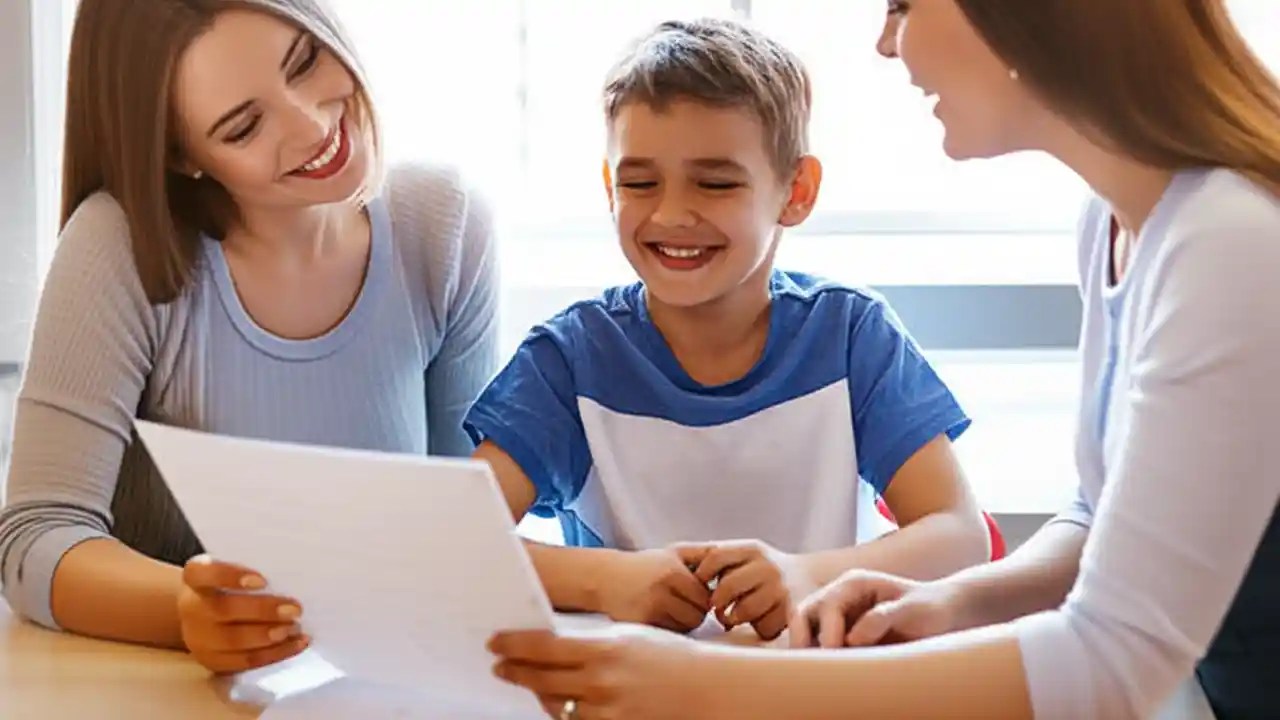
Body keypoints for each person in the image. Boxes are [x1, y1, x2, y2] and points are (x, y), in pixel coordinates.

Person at [488, 1, 1280, 718]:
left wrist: (698, 685)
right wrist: (952, 604)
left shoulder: (1228, 241)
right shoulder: (1115, 223)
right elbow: (1099, 520)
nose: (885, 42)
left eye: (903, 5)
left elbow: (1113, 660)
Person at [0, 0, 498, 675]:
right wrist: (185, 610)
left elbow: (463, 530)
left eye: (305, 61)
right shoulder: (121, 249)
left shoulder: (443, 227)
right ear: (182, 155)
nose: (311, 126)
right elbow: (36, 536)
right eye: (244, 126)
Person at [467, 17, 991, 643]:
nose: (671, 213)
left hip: (819, 683)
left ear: (796, 192)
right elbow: (458, 544)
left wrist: (806, 576)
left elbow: (959, 536)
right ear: (610, 187)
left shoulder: (852, 336)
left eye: (715, 183)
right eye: (639, 183)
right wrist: (604, 580)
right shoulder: (568, 360)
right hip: (633, 686)